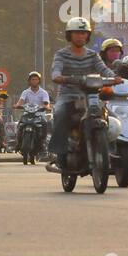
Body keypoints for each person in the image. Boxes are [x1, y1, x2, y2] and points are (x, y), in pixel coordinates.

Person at [46, 17, 115, 173]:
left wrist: (115, 78)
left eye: (84, 33)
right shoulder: (61, 55)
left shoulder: (92, 55)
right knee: (60, 113)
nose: (81, 36)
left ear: (88, 36)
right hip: (68, 96)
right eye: (77, 33)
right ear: (69, 35)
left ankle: (112, 153)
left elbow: (104, 70)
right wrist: (60, 77)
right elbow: (56, 71)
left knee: (112, 118)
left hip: (90, 97)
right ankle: (61, 153)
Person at [15, 71, 53, 145]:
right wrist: (17, 105)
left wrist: (46, 107)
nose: (34, 81)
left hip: (40, 114)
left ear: (39, 81)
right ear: (29, 81)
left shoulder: (43, 92)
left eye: (36, 79)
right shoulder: (25, 92)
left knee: (45, 123)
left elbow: (46, 103)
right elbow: (21, 101)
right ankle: (18, 142)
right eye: (32, 79)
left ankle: (43, 142)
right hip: (27, 114)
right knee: (20, 124)